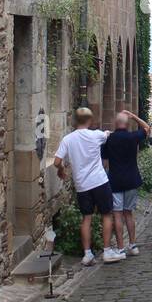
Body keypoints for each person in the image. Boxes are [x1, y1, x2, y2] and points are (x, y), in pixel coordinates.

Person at [53, 107, 125, 266]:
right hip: (99, 181)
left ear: (75, 120)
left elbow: (56, 162)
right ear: (90, 121)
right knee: (107, 214)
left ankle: (87, 254)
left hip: (82, 185)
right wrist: (106, 132)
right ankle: (107, 251)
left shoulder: (68, 139)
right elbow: (107, 135)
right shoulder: (96, 135)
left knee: (86, 218)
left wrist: (61, 170)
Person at [102, 109, 149, 256]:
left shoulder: (109, 139)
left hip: (115, 180)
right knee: (129, 213)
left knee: (117, 215)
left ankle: (121, 247)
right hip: (131, 179)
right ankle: (133, 245)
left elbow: (104, 160)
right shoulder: (132, 137)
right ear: (127, 124)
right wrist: (134, 116)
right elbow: (147, 128)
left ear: (116, 123)